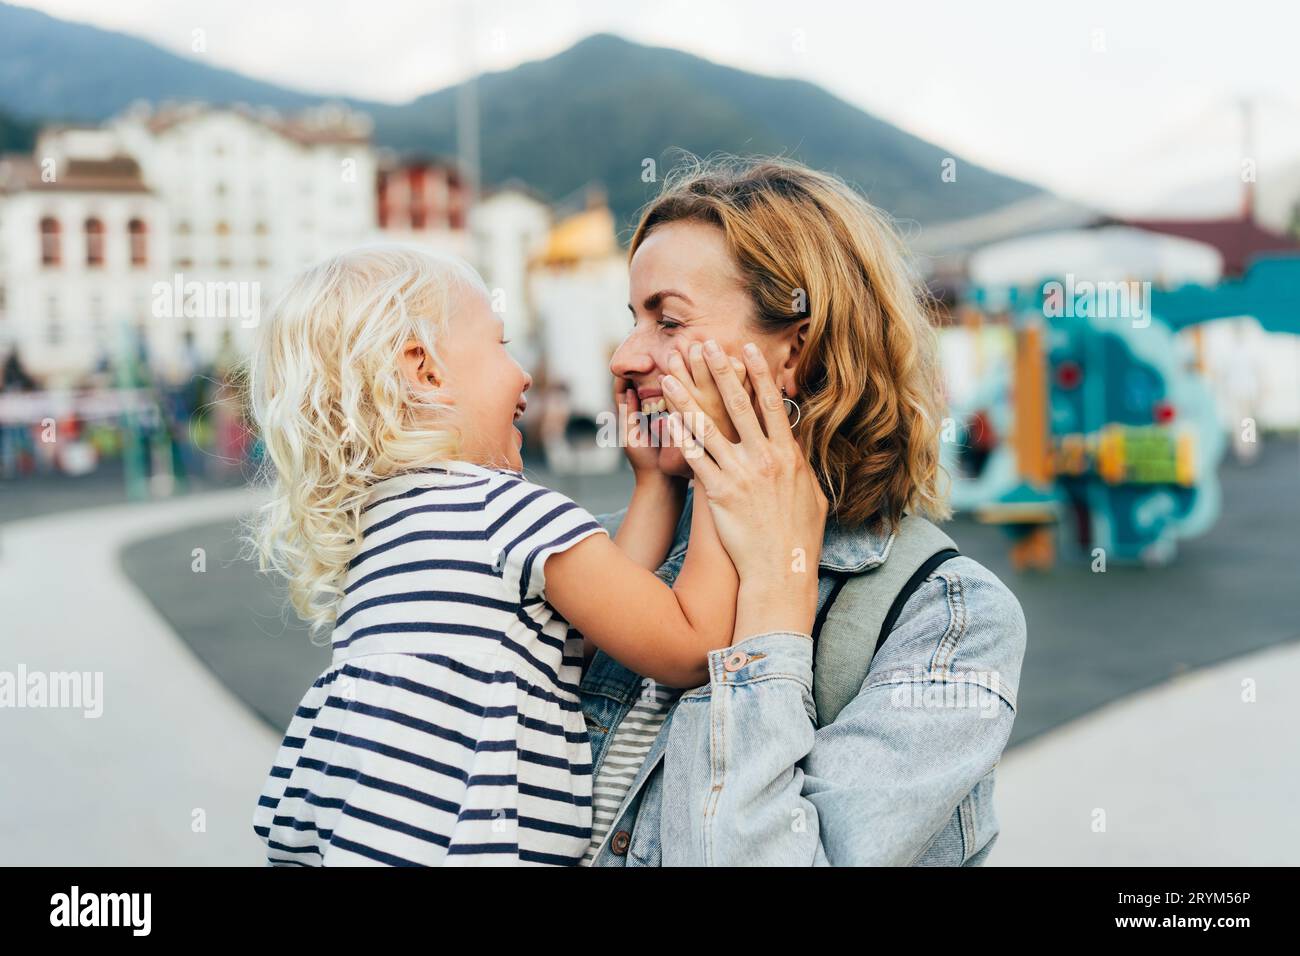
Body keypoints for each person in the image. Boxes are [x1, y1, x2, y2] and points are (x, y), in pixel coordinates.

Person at [244, 244, 778, 865]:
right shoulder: (501, 512)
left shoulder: (384, 530)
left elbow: (600, 618)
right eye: (500, 346)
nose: (525, 375)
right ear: (426, 370)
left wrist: (656, 484)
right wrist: (716, 456)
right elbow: (688, 643)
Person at [580, 155, 1028, 866]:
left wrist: (773, 592)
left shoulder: (949, 621)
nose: (626, 356)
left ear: (796, 349)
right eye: (634, 319)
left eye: (668, 320)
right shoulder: (630, 558)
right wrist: (664, 491)